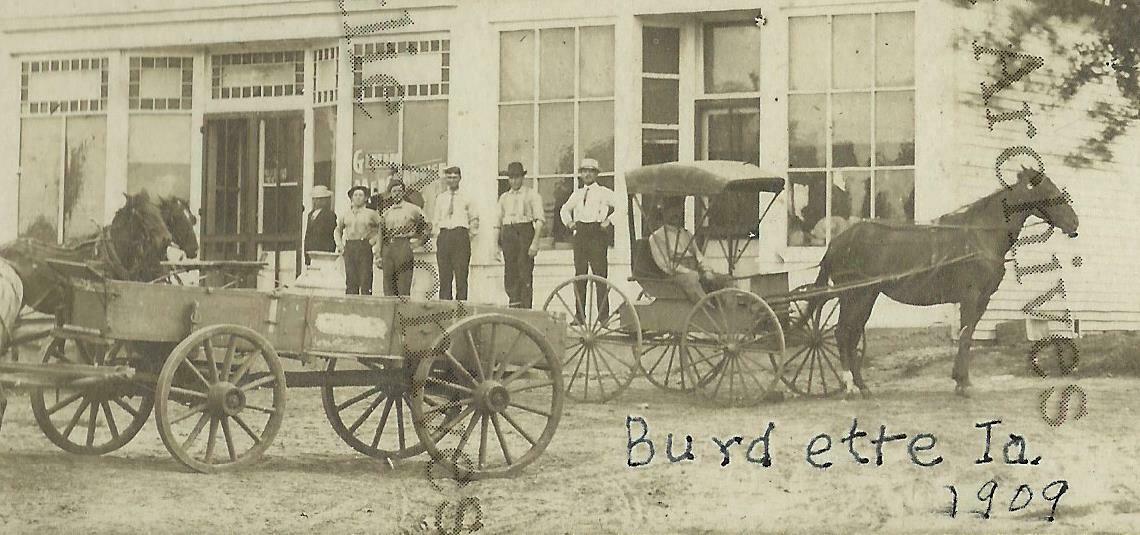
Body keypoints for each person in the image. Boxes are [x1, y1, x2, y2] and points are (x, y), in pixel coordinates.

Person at [559, 158, 621, 322]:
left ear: (596, 174)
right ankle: (580, 316)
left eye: (590, 171)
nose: (587, 174)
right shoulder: (577, 194)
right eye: (584, 171)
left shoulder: (604, 192)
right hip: (580, 234)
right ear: (580, 174)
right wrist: (569, 223)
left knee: (600, 276)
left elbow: (622, 206)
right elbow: (564, 209)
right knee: (580, 276)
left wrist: (609, 221)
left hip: (597, 234)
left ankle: (603, 317)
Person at [647, 202, 734, 302]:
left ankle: (730, 312)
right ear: (664, 213)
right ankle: (706, 309)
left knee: (726, 279)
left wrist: (707, 270)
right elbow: (665, 264)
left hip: (695, 271)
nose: (675, 213)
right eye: (671, 210)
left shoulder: (686, 234)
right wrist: (689, 272)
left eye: (677, 209)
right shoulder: (657, 237)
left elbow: (698, 255)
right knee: (692, 279)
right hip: (674, 275)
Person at [495, 161, 544, 308]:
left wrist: (535, 243)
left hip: (525, 233)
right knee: (510, 273)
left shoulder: (531, 195)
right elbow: (497, 223)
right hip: (508, 234)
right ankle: (514, 308)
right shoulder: (504, 198)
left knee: (525, 272)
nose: (514, 181)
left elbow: (540, 220)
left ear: (522, 178)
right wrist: (494, 246)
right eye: (511, 177)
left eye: (517, 177)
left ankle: (526, 311)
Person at [433, 166, 479, 301]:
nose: (452, 180)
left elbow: (474, 220)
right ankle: (445, 313)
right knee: (444, 278)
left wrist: (465, 236)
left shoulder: (467, 197)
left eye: (454, 177)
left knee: (461, 277)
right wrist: (440, 235)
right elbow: (436, 220)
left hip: (460, 237)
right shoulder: (440, 198)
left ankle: (461, 312)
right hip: (444, 237)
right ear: (445, 179)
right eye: (449, 177)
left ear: (460, 178)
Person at [379, 180, 428, 297]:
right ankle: (389, 314)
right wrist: (378, 254)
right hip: (388, 248)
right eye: (394, 191)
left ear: (403, 192)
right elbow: (381, 233)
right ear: (390, 194)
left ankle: (403, 313)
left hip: (404, 246)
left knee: (403, 284)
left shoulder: (413, 209)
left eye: (399, 191)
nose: (397, 193)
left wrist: (419, 242)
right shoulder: (386, 212)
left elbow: (427, 226)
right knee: (388, 285)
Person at [335, 185, 382, 295]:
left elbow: (381, 229)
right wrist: (340, 245)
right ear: (351, 198)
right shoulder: (345, 214)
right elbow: (338, 230)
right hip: (350, 247)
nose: (358, 197)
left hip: (364, 247)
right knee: (351, 280)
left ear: (366, 198)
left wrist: (374, 241)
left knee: (365, 279)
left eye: (361, 195)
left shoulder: (371, 213)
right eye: (355, 195)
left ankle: (365, 308)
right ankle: (351, 309)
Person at [303, 185, 337, 265]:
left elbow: (330, 235)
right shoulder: (310, 214)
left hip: (323, 252)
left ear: (325, 201)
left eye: (320, 199)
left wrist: (328, 254)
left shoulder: (330, 215)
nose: (316, 201)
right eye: (315, 199)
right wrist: (306, 254)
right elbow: (308, 235)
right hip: (311, 251)